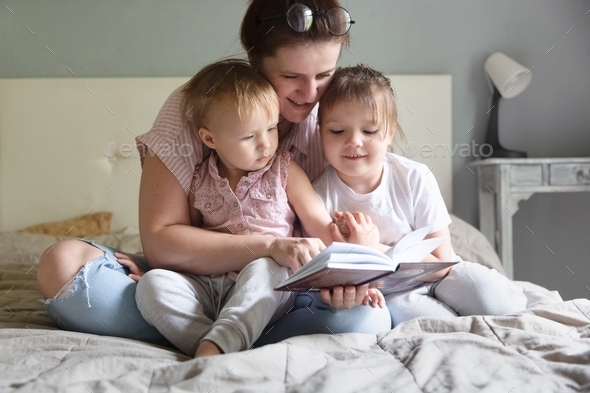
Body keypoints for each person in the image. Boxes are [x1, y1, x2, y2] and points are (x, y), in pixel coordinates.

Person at [37, 0, 391, 355]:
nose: (311, 95)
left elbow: (351, 228)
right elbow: (163, 244)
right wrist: (268, 246)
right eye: (291, 77)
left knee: (368, 317)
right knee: (63, 265)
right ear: (255, 63)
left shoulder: (339, 119)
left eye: (324, 75)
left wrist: (354, 275)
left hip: (283, 286)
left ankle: (209, 335)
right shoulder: (199, 106)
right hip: (199, 278)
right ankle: (224, 338)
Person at [128, 59, 385, 357]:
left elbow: (320, 228)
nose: (266, 145)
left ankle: (221, 343)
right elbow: (190, 240)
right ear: (210, 138)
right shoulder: (199, 180)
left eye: (272, 129)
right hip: (210, 285)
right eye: (250, 137)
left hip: (270, 284)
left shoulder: (285, 170)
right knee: (151, 286)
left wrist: (357, 274)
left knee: (265, 268)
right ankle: (211, 344)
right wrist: (151, 267)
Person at [311, 64, 528, 327]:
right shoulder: (318, 197)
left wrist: (372, 249)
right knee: (431, 325)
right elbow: (330, 272)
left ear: (390, 132)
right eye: (337, 131)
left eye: (369, 131)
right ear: (320, 132)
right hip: (392, 293)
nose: (354, 141)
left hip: (443, 275)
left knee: (496, 301)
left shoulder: (414, 177)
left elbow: (441, 263)